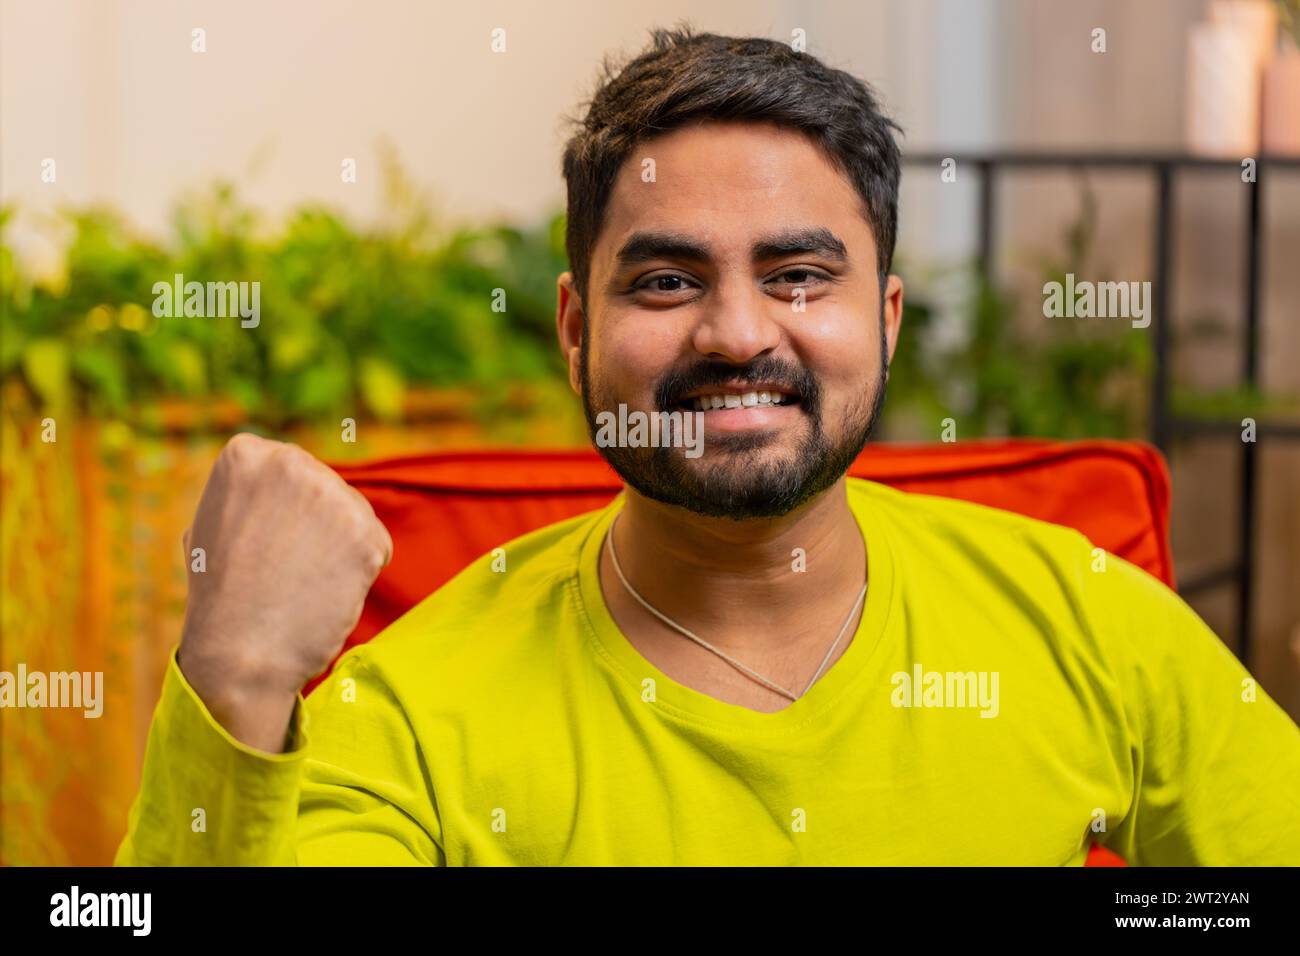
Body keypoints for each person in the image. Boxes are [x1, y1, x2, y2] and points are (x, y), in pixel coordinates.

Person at [116, 26, 1300, 867]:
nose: (737, 333)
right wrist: (232, 679)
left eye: (797, 275)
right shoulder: (409, 710)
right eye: (669, 278)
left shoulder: (1091, 616)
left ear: (882, 322)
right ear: (576, 334)